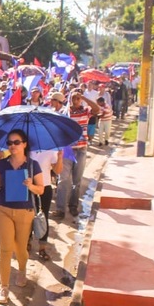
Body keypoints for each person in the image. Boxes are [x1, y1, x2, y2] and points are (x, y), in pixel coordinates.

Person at [0, 130, 45, 305]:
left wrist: (31, 186)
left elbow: (41, 190)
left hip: (24, 212)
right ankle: (4, 288)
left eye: (16, 142)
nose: (12, 146)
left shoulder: (33, 165)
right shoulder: (2, 164)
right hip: (3, 209)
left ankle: (22, 270)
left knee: (21, 248)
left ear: (24, 144)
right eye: (10, 143)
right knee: (5, 249)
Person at [55, 91, 98, 219]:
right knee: (63, 180)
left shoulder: (85, 111)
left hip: (81, 149)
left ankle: (73, 206)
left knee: (76, 180)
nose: (76, 100)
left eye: (78, 98)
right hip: (67, 150)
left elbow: (97, 109)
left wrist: (84, 97)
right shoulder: (65, 113)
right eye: (73, 98)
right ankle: (60, 209)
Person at [29, 149, 63, 261]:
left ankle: (42, 247)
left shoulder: (50, 151)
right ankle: (27, 242)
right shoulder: (27, 148)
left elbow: (57, 171)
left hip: (45, 187)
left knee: (43, 217)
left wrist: (60, 157)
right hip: (29, 186)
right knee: (28, 215)